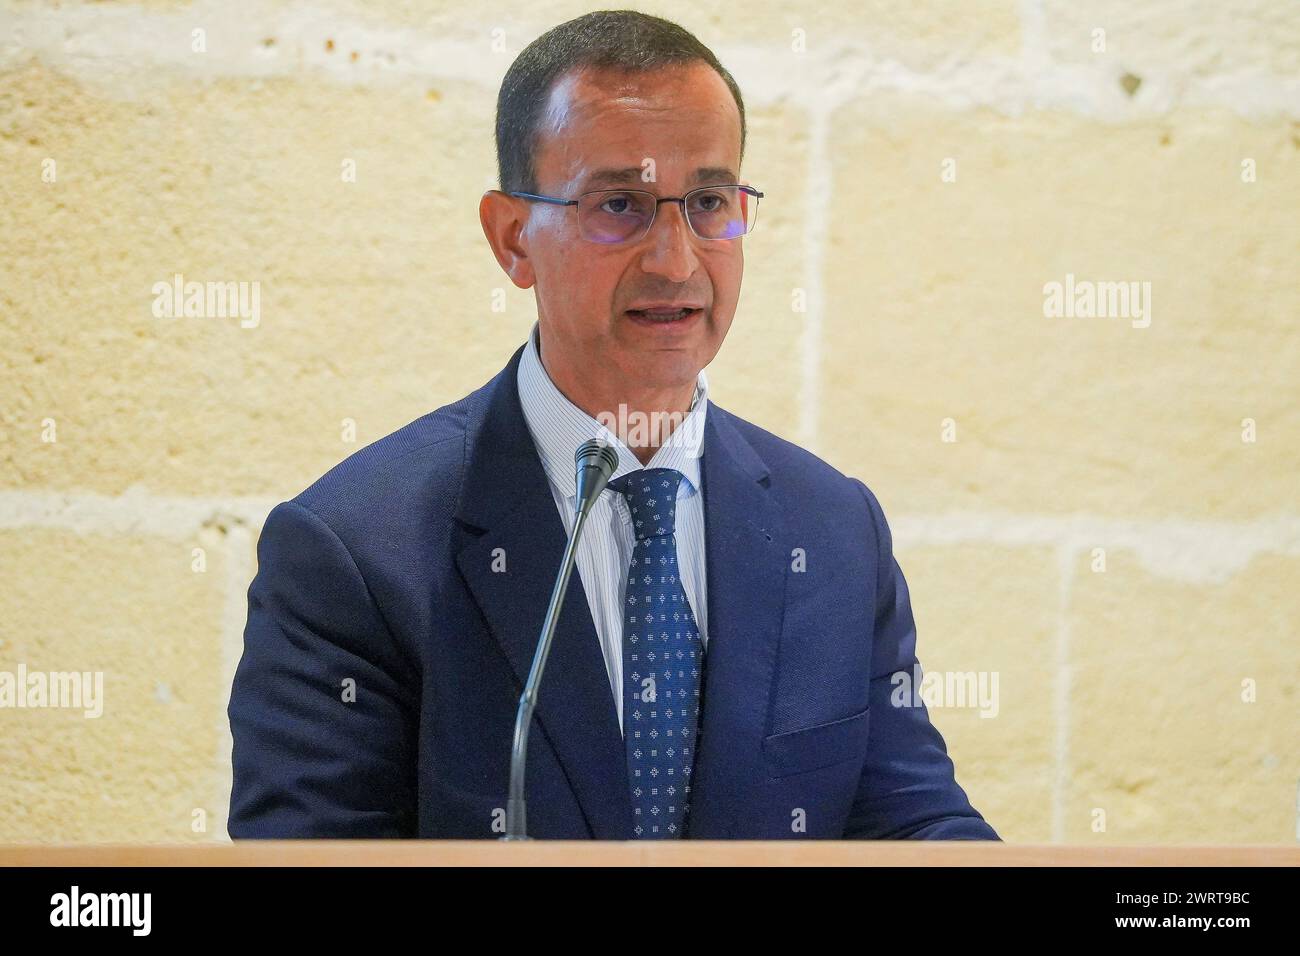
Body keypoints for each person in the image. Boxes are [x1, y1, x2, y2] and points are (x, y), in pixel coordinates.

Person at [227, 10, 999, 841]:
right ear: (513, 238)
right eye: (619, 204)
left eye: (708, 202)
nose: (676, 260)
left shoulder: (835, 530)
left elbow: (912, 828)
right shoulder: (353, 551)